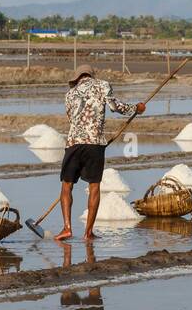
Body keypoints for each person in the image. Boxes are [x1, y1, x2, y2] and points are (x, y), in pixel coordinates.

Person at [56, 65, 144, 242]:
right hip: (95, 144)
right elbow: (115, 106)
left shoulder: (69, 94)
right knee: (94, 187)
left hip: (74, 143)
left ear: (78, 78)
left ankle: (67, 228)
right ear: (91, 75)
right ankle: (88, 232)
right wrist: (136, 108)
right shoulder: (103, 85)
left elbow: (71, 118)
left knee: (66, 187)